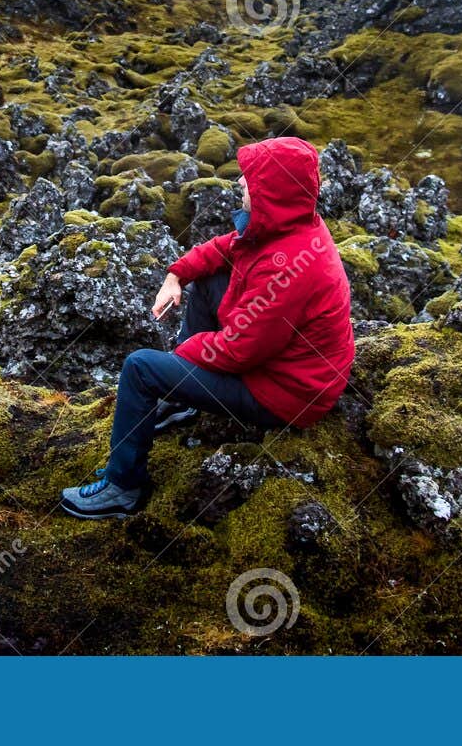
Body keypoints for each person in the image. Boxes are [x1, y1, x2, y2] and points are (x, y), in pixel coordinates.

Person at [59, 136, 355, 519]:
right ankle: (182, 400)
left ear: (274, 192)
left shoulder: (289, 266)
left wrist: (185, 356)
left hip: (288, 394)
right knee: (207, 280)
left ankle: (123, 487)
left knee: (140, 369)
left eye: (251, 178)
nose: (241, 183)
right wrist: (176, 275)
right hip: (284, 365)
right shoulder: (288, 226)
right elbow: (224, 248)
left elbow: (238, 351)